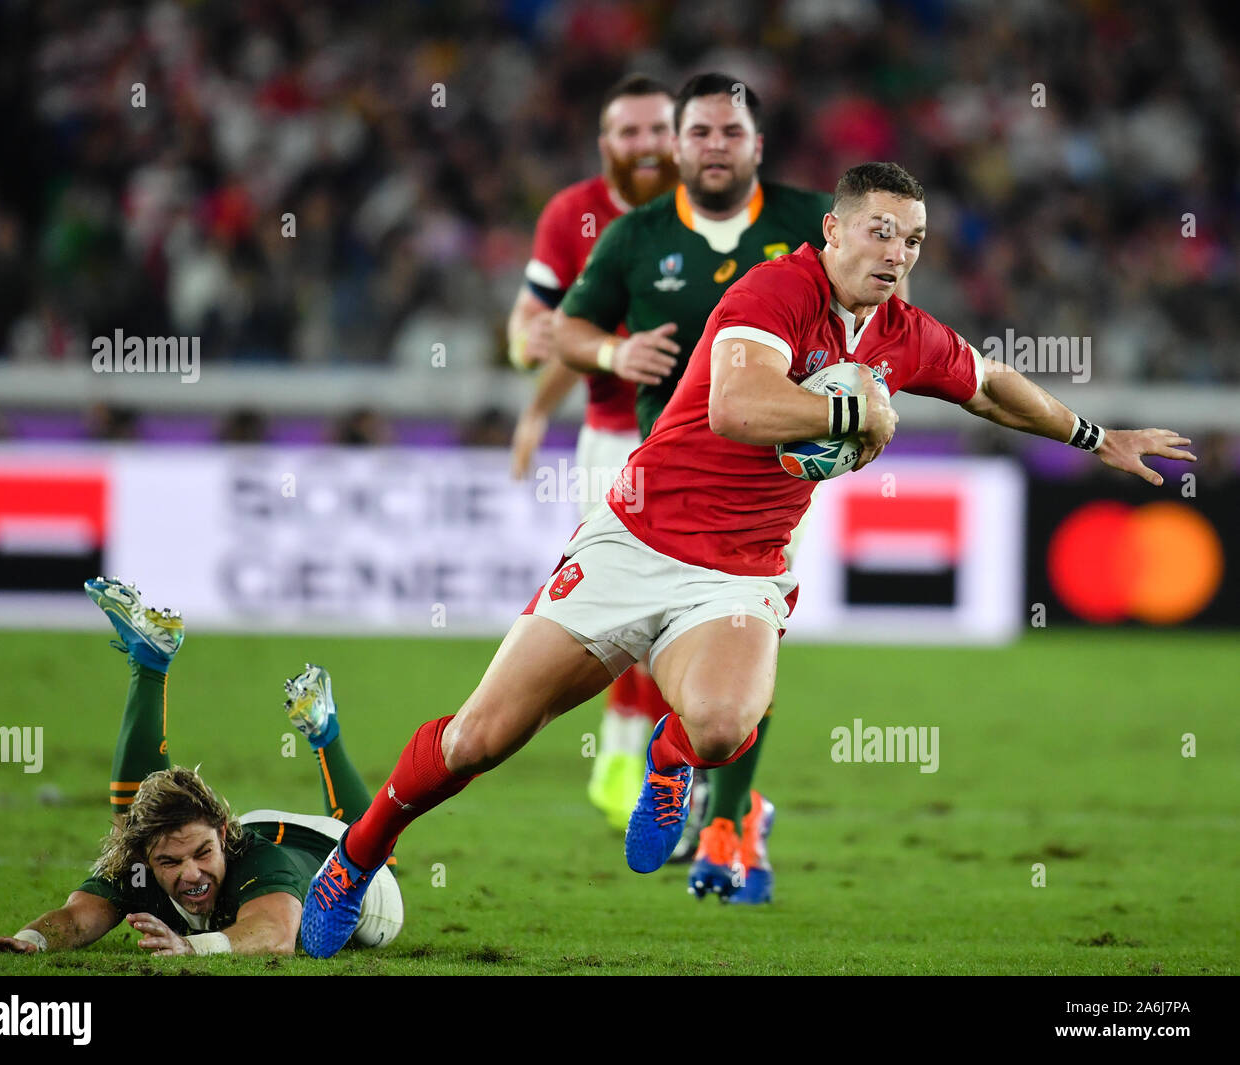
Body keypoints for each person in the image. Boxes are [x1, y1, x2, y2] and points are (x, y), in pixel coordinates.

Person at [299, 161, 1195, 958]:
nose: (897, 251)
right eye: (879, 229)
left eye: (914, 239)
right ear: (832, 230)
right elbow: (735, 405)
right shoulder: (773, 292)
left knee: (726, 723)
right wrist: (854, 416)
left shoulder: (901, 334)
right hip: (634, 542)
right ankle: (357, 856)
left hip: (740, 572)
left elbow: (992, 383)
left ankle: (672, 756)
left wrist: (1093, 433)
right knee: (479, 738)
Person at [554, 72, 891, 904]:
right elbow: (565, 325)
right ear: (677, 144)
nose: (714, 147)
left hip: (776, 476)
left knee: (749, 647)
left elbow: (884, 310)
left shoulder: (806, 220)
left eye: (730, 133)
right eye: (698, 133)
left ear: (757, 145)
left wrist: (855, 406)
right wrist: (609, 355)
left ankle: (726, 820)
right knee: (639, 646)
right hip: (656, 471)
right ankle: (692, 780)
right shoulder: (634, 236)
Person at [0, 578, 400, 957]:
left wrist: (190, 946)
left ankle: (325, 734)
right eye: (169, 861)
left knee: (375, 857)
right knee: (142, 818)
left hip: (340, 864)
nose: (190, 874)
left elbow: (276, 934)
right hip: (256, 828)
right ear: (148, 860)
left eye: (201, 855)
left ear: (225, 837)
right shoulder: (142, 862)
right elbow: (77, 918)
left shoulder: (262, 863)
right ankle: (153, 664)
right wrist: (32, 939)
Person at [507, 73, 679, 834]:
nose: (644, 145)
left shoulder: (716, 218)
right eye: (628, 132)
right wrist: (534, 383)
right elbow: (534, 329)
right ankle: (630, 756)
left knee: (693, 611)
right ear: (605, 142)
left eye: (657, 130)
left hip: (712, 441)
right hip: (615, 442)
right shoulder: (571, 215)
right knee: (627, 607)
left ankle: (654, 764)